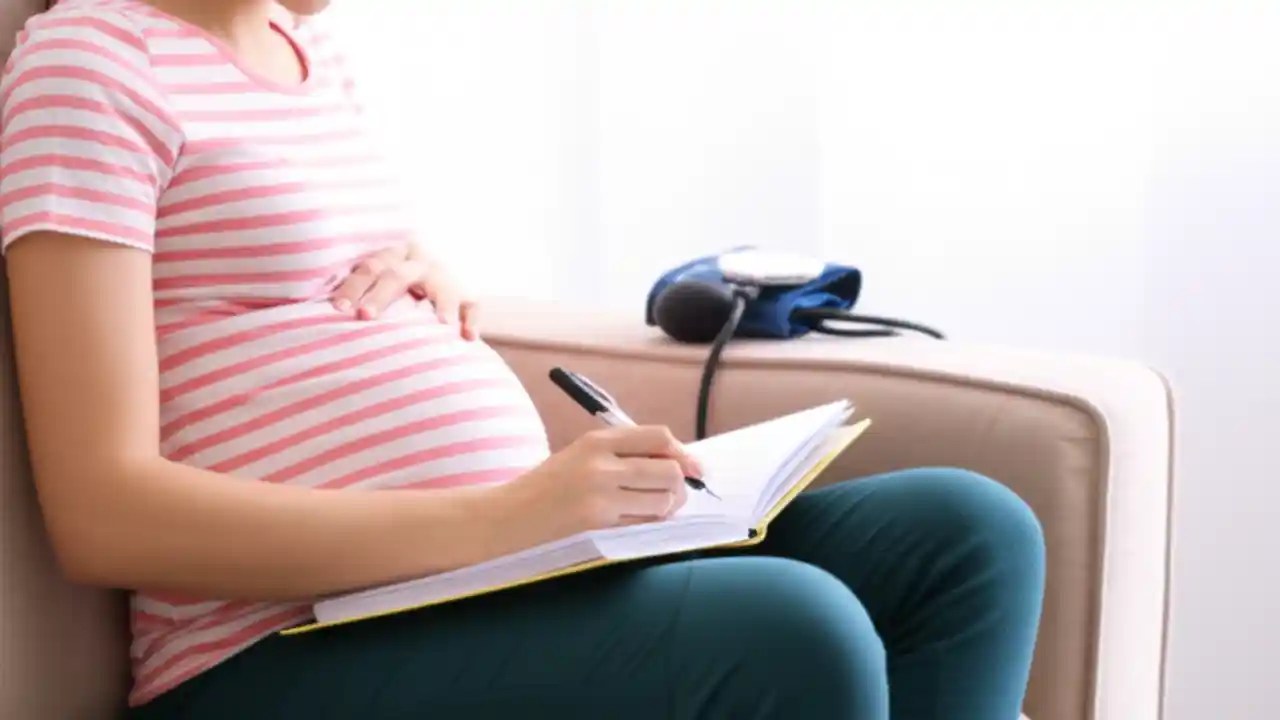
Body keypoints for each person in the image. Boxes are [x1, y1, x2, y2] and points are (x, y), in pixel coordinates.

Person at [0, 0, 1045, 718]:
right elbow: (105, 514)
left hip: (470, 582)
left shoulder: (306, 47)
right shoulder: (88, 62)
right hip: (265, 653)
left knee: (965, 534)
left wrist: (432, 287)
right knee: (791, 626)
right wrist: (516, 514)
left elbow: (282, 285)